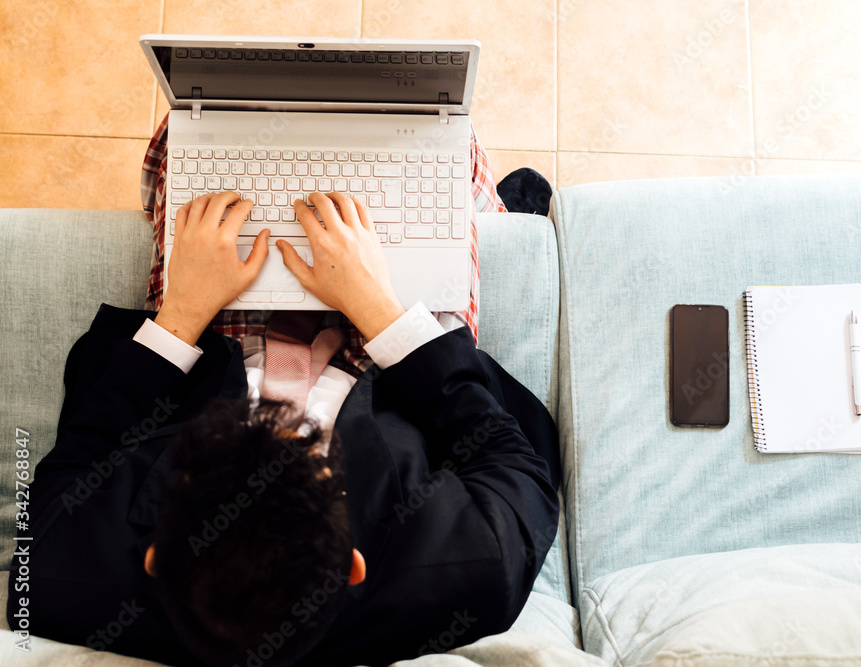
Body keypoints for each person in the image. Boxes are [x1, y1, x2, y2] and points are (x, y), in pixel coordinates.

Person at [8, 117, 561, 667]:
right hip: (390, 367)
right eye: (311, 454)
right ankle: (499, 214)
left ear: (154, 560)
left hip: (209, 341)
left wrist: (184, 312)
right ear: (353, 566)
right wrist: (376, 308)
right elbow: (506, 452)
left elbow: (85, 450)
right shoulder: (477, 569)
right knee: (448, 148)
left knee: (182, 136)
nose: (275, 418)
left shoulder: (57, 578)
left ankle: (497, 212)